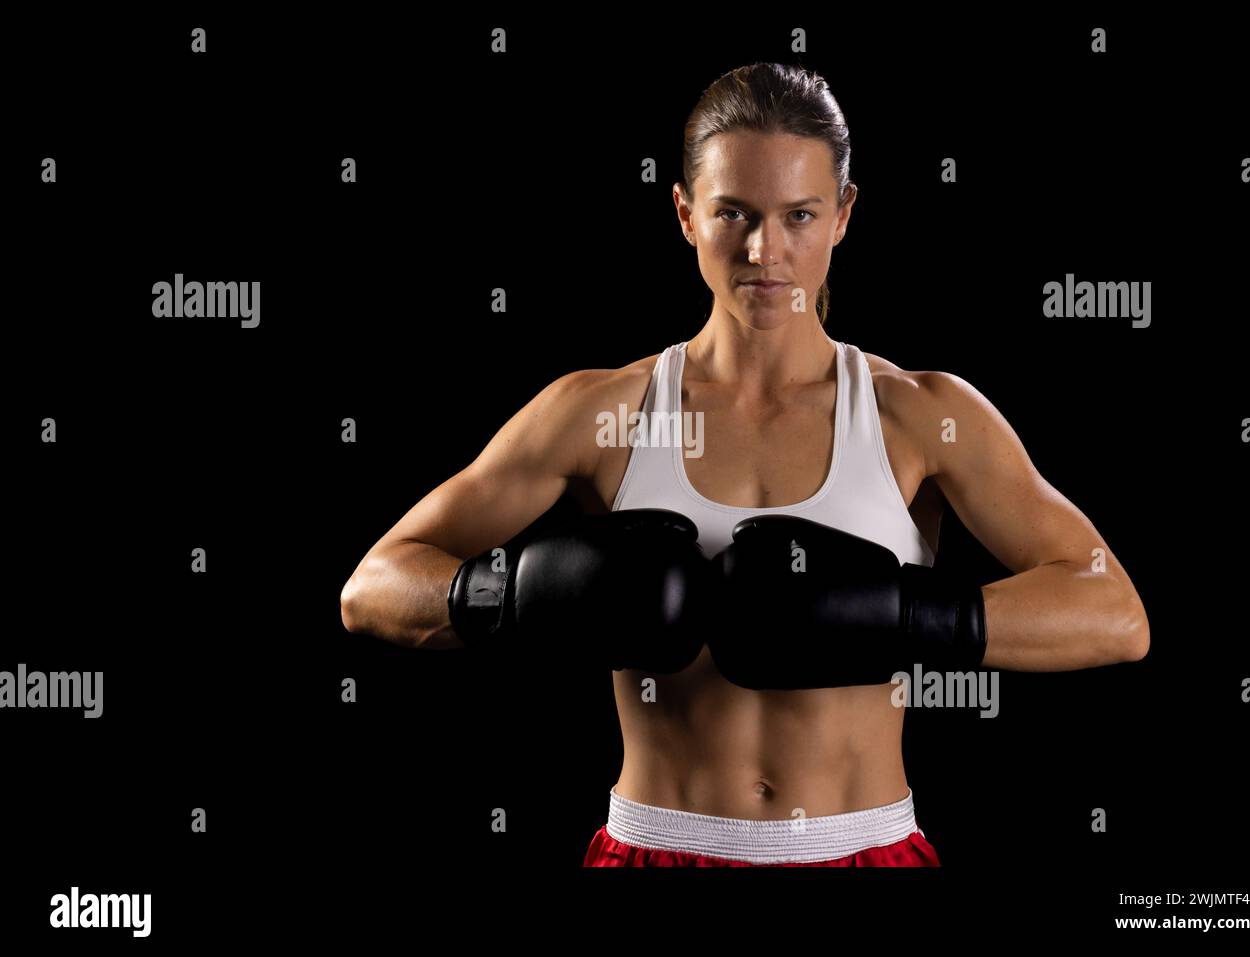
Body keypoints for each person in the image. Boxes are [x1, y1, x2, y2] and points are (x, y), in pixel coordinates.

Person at [340, 62, 1149, 867]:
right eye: (734, 213)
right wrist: (515, 596)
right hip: (656, 846)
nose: (767, 251)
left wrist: (908, 615)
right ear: (686, 214)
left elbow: (1113, 610)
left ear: (844, 214)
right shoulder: (601, 412)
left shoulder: (916, 414)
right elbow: (372, 586)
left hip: (861, 847)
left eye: (800, 214)